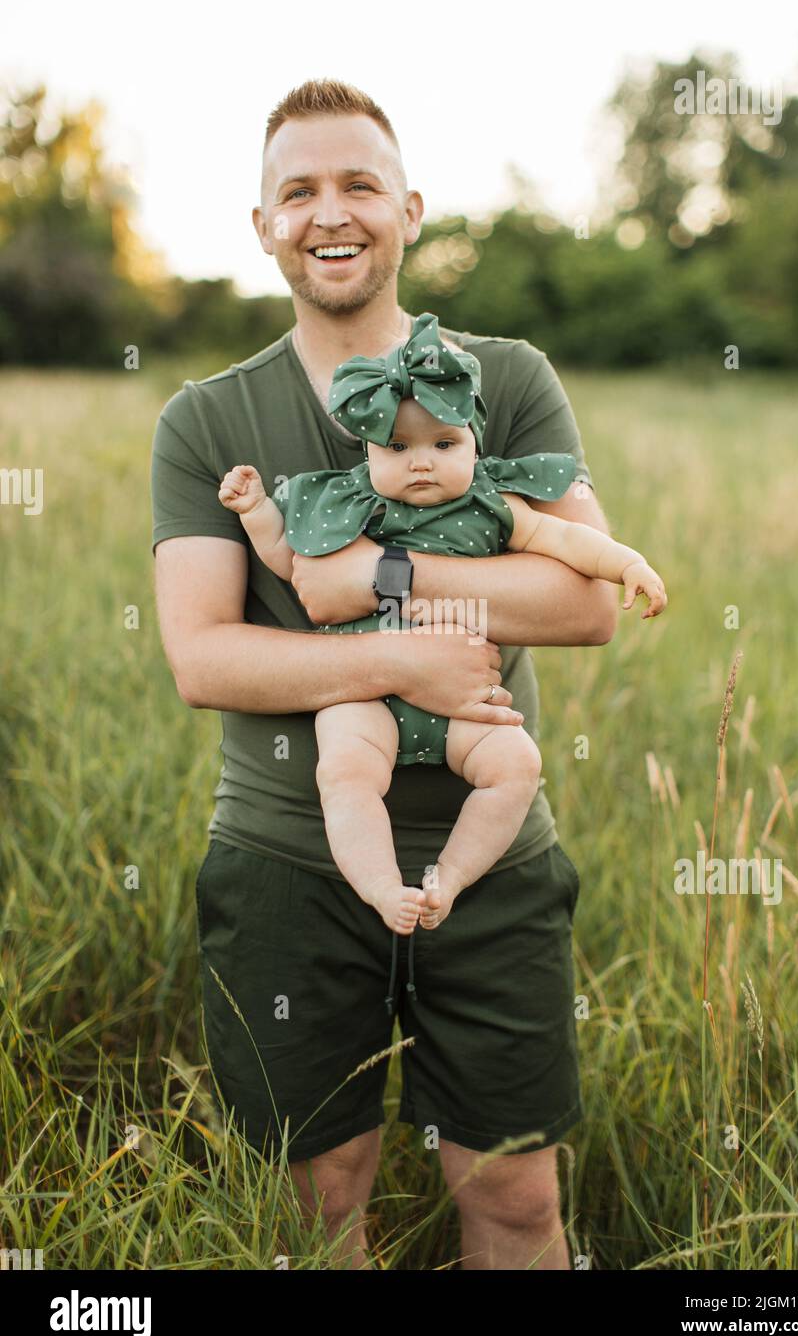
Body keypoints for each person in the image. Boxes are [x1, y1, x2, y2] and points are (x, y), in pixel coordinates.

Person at [151, 78, 621, 1271]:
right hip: (286, 862)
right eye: (297, 190)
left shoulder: (503, 378)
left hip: (490, 847)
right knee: (323, 1204)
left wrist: (381, 578)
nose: (330, 212)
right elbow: (203, 655)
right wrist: (402, 655)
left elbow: (583, 598)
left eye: (358, 183)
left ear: (408, 207)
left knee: (514, 1195)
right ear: (261, 223)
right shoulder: (209, 418)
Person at [217, 311, 666, 949]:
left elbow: (569, 539)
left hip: (464, 700)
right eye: (396, 449)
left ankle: (446, 881)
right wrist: (259, 511)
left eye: (443, 445)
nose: (420, 464)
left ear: (476, 442)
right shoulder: (353, 503)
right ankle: (380, 885)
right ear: (366, 452)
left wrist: (628, 564)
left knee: (516, 765)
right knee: (344, 772)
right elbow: (293, 563)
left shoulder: (493, 503)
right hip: (365, 692)